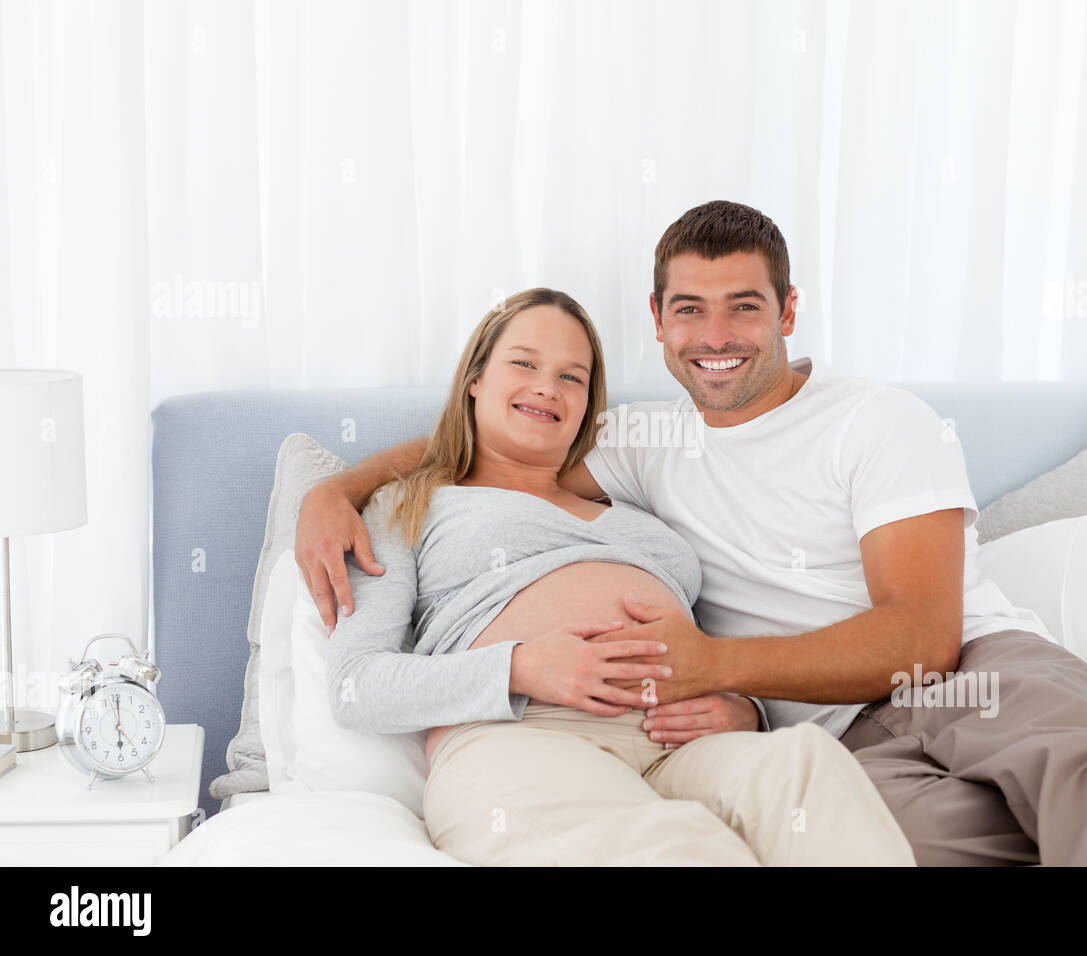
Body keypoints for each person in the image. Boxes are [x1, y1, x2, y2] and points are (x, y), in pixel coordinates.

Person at [301, 201, 1087, 865]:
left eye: (744, 305)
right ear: (658, 320)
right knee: (922, 839)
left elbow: (920, 642)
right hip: (821, 726)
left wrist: (715, 678)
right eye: (690, 308)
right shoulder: (600, 460)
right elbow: (471, 458)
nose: (717, 333)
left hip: (946, 673)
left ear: (787, 309)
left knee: (1059, 758)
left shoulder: (867, 422)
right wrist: (334, 486)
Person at [322, 285, 916, 866]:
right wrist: (522, 667)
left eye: (571, 377)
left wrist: (745, 708)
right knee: (679, 850)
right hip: (525, 739)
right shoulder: (408, 503)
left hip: (682, 738)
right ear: (476, 379)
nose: (546, 388)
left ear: (588, 403)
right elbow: (358, 685)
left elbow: (711, 631)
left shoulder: (638, 506)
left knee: (806, 769)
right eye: (524, 363)